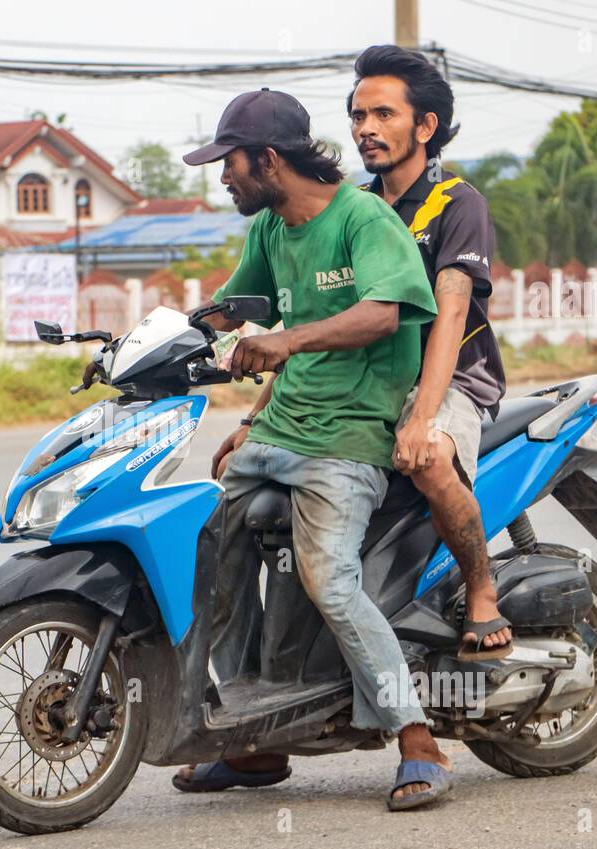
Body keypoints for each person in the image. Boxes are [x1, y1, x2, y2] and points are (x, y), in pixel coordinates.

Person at [164, 87, 456, 810]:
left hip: (349, 439)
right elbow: (232, 310)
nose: (222, 177)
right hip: (279, 431)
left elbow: (385, 314)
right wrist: (142, 344)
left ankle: (415, 735)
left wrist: (286, 340)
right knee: (207, 552)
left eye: (227, 163)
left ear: (267, 159)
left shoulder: (364, 219)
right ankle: (253, 738)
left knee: (328, 579)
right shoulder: (270, 229)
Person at [351, 44, 512, 660]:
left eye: (384, 115)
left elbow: (451, 311)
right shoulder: (355, 210)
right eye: (360, 116)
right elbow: (319, 317)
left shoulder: (456, 203)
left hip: (453, 380)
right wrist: (259, 418)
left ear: (426, 126)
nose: (368, 128)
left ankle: (481, 588)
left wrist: (423, 418)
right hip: (370, 382)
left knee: (427, 461)